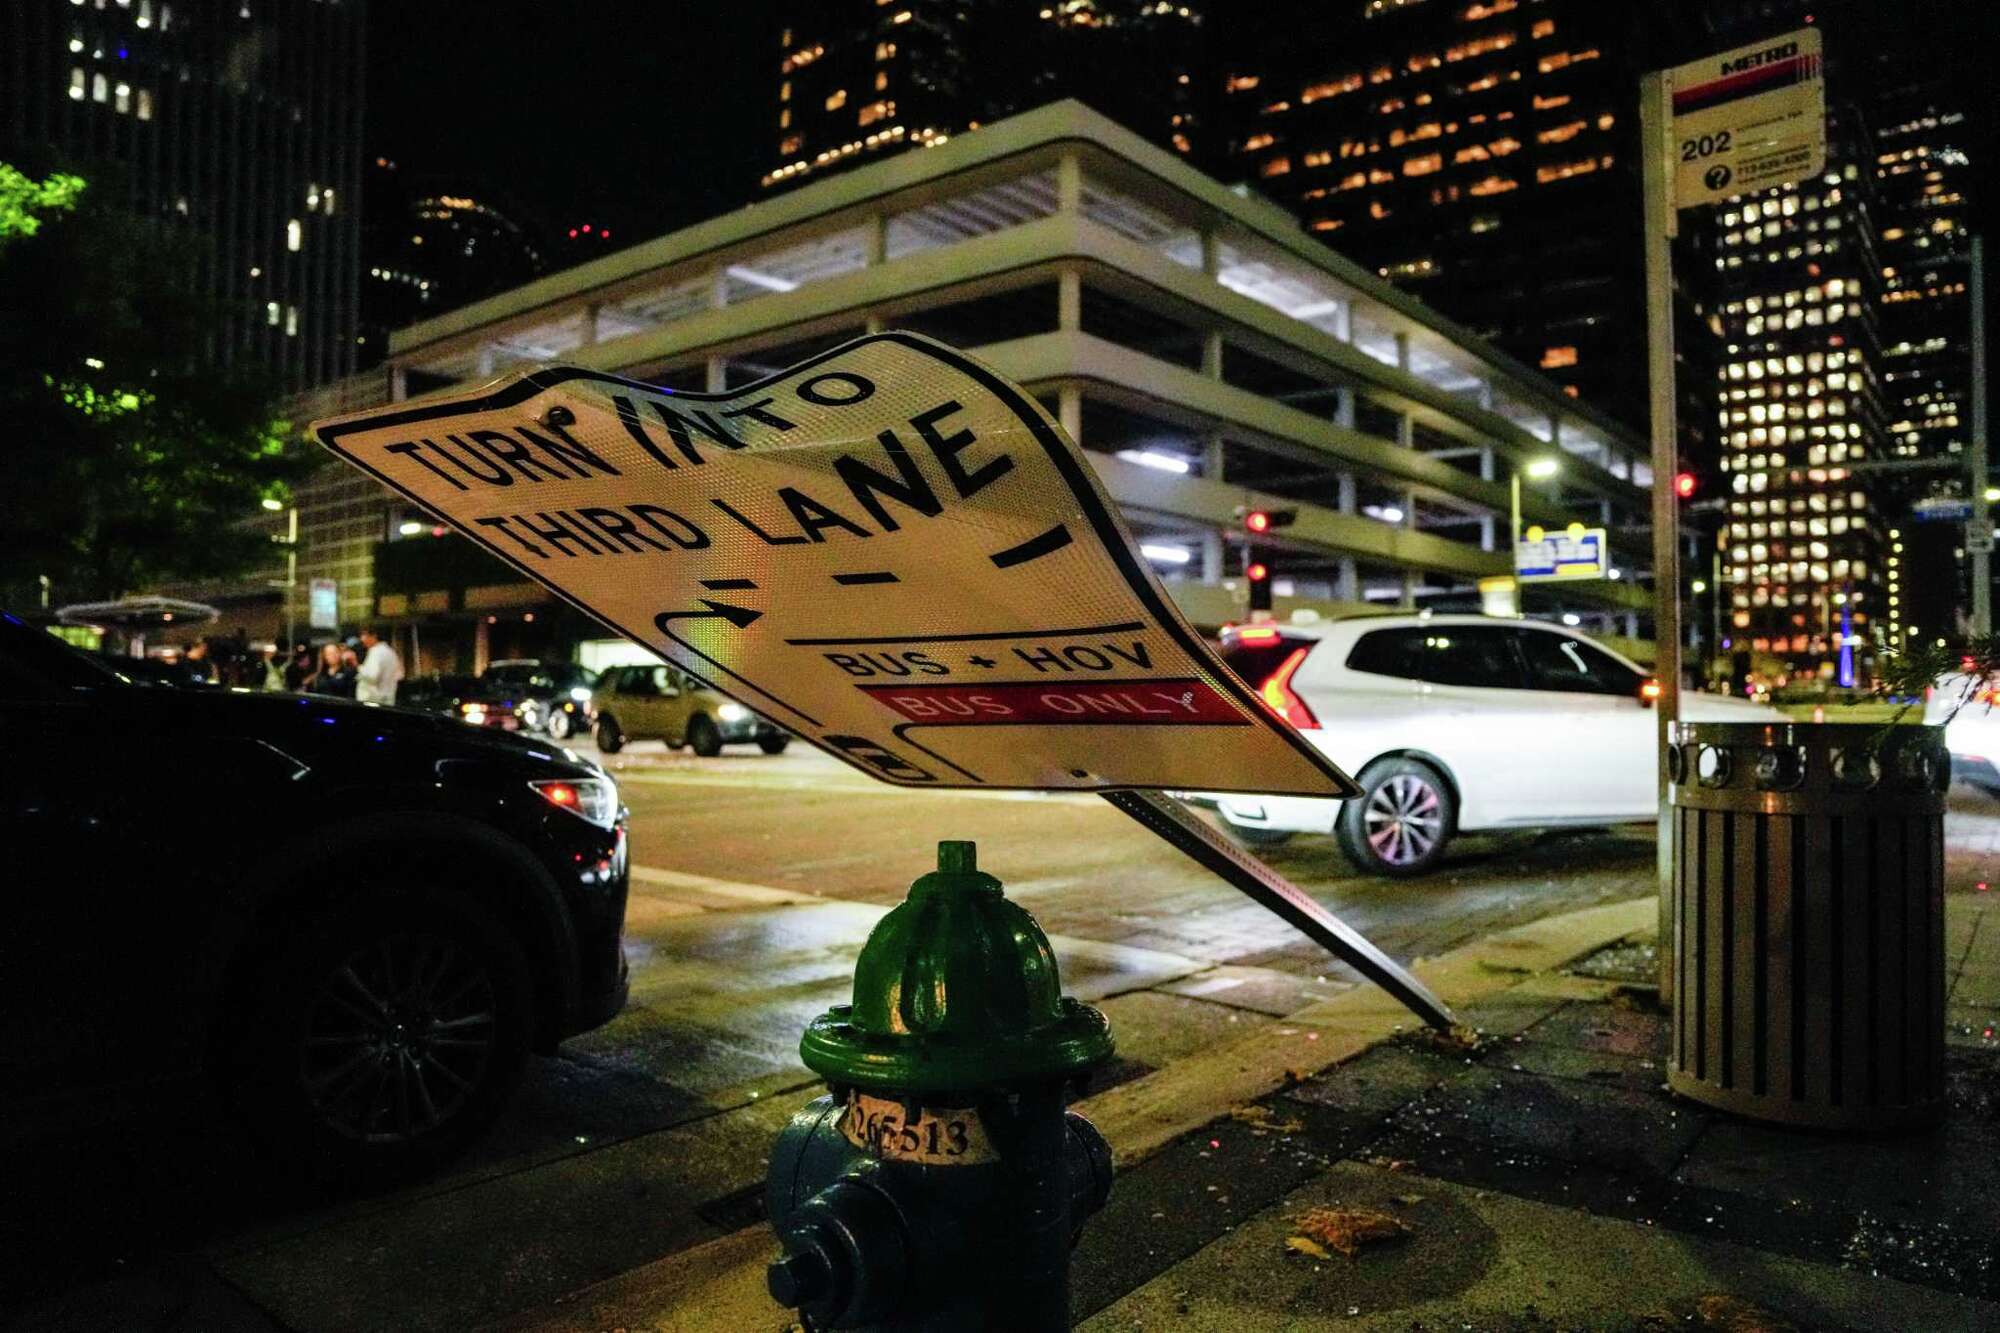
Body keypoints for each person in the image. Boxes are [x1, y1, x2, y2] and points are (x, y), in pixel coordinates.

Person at [355, 627, 405, 706]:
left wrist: (356, 666)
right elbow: (400, 675)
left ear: (374, 636)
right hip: (388, 701)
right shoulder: (391, 652)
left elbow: (372, 676)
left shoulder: (375, 652)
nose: (361, 639)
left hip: (372, 702)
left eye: (364, 635)